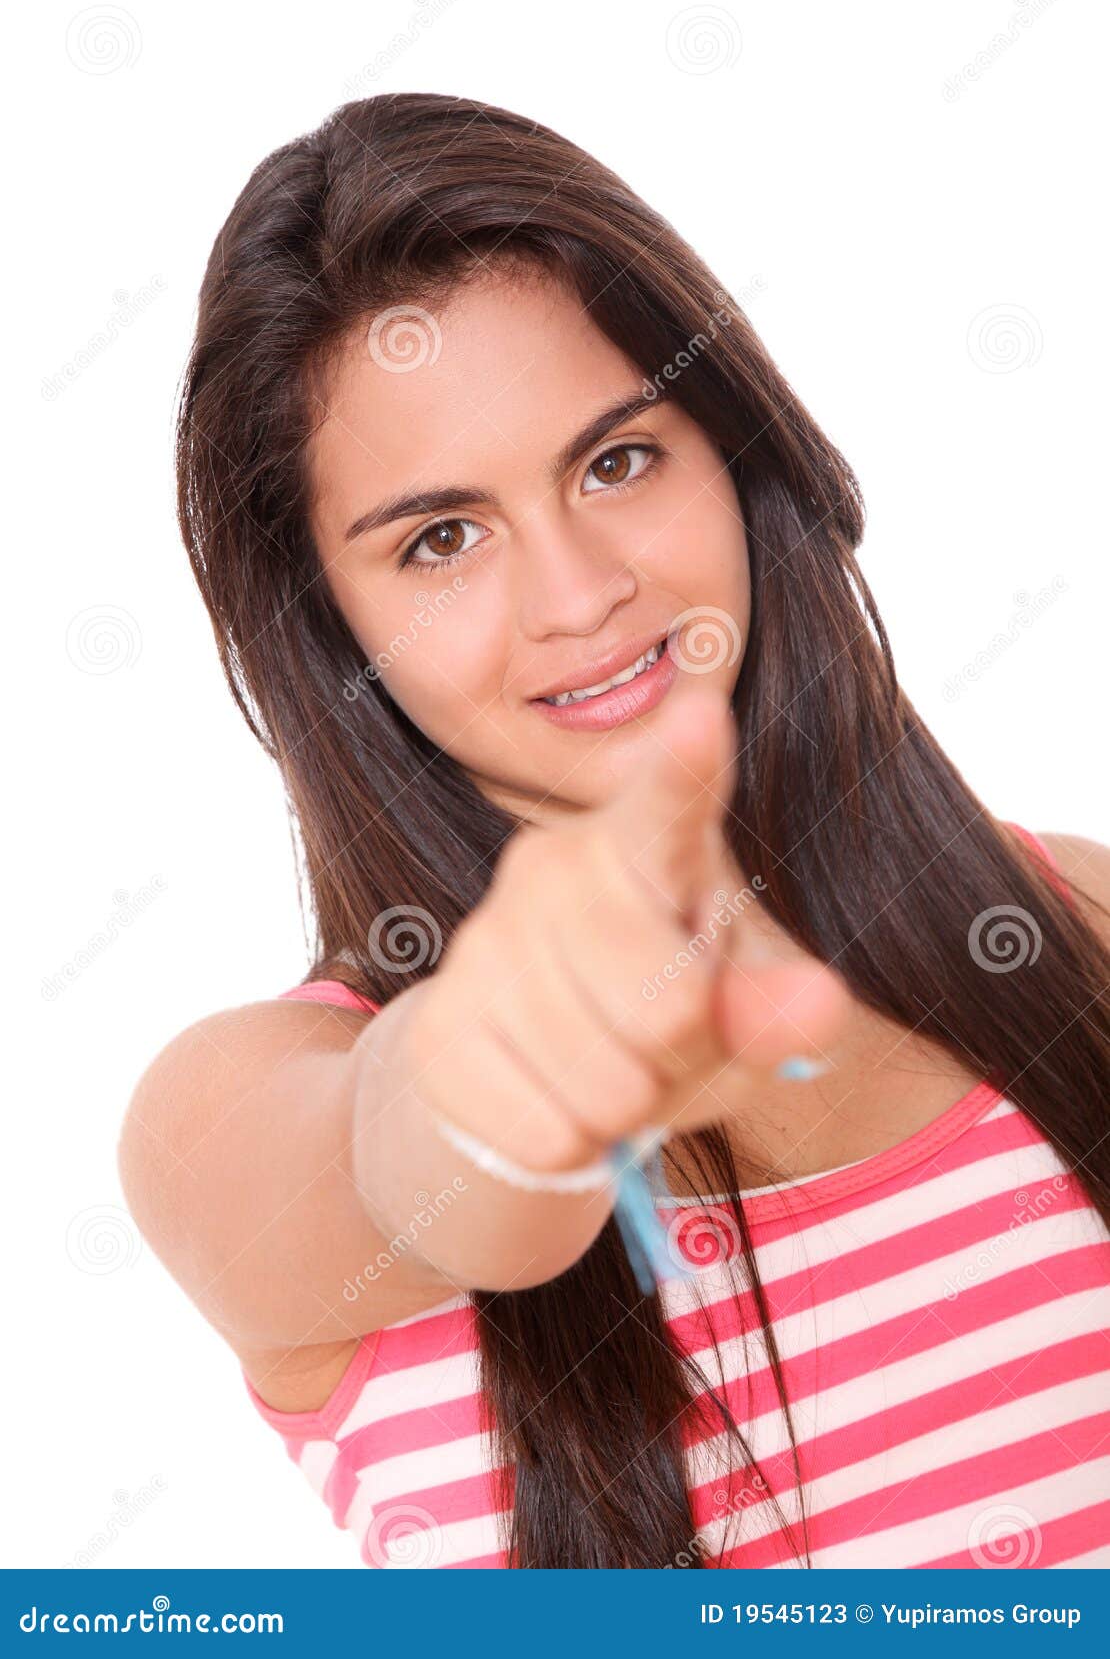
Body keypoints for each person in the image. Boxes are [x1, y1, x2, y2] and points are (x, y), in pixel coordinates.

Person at [118, 93, 1110, 1570]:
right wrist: (499, 1064)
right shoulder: (230, 1114)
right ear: (326, 628)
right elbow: (425, 1169)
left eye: (617, 461)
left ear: (735, 449)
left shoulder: (1072, 920)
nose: (578, 594)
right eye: (439, 539)